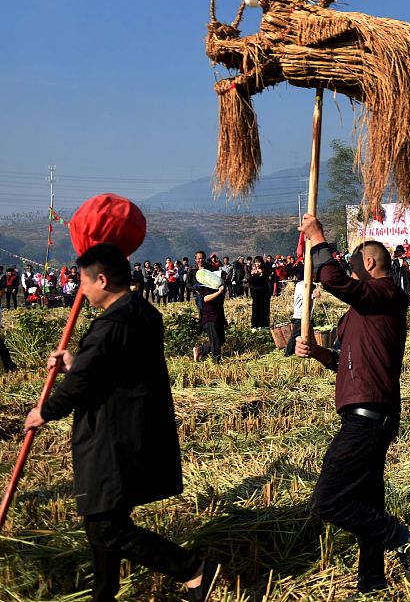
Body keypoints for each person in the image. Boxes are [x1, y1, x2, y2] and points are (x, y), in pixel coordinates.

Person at [22, 244, 217, 602]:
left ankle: (190, 568)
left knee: (106, 527)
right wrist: (76, 361)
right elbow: (113, 366)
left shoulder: (112, 322)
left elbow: (83, 383)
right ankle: (105, 592)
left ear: (101, 279)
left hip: (112, 435)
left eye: (83, 281)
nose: (81, 290)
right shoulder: (141, 311)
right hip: (134, 427)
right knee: (102, 524)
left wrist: (43, 412)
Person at [293, 215, 410, 592]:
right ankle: (372, 583)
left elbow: (333, 279)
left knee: (329, 500)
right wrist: (318, 354)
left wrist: (318, 239)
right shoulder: (359, 312)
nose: (351, 274)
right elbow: (343, 361)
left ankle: (405, 538)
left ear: (369, 264)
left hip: (369, 417)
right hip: (364, 412)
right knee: (368, 501)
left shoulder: (387, 295)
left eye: (354, 267)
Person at [195, 275, 226, 363]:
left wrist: (224, 319)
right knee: (215, 340)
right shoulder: (206, 289)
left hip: (218, 318)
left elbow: (220, 306)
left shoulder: (218, 291)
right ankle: (217, 360)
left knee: (221, 339)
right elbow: (206, 299)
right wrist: (219, 292)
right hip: (209, 318)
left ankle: (200, 350)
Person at [248, 256, 273, 330]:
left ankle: (264, 325)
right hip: (256, 291)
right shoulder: (252, 270)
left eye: (259, 262)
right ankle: (254, 325)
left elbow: (267, 275)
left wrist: (259, 273)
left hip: (264, 291)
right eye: (256, 262)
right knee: (256, 308)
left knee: (264, 308)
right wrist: (252, 275)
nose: (257, 263)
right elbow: (250, 282)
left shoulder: (265, 270)